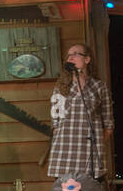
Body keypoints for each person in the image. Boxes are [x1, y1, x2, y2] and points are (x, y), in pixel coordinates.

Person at [47, 43, 114, 181]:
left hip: (90, 158)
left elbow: (108, 126)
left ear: (87, 59)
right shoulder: (60, 88)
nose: (70, 57)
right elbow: (55, 125)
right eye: (68, 55)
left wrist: (94, 144)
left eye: (75, 54)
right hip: (64, 155)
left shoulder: (99, 87)